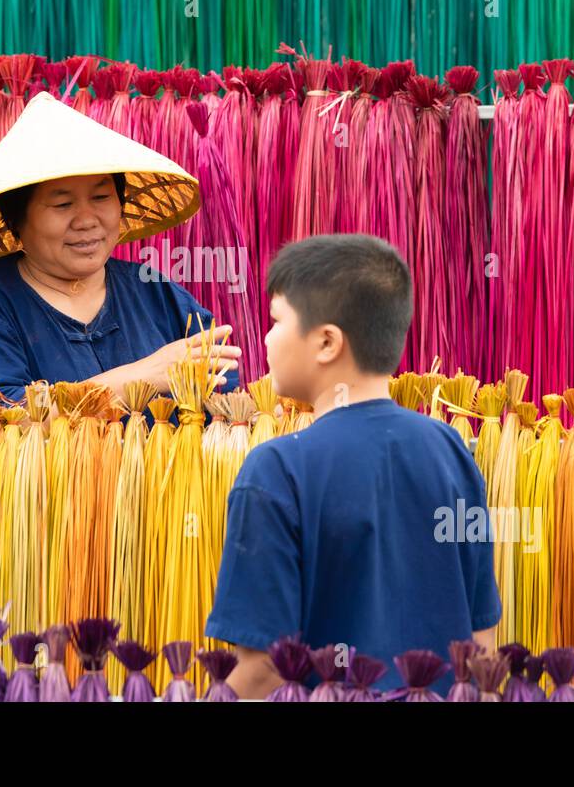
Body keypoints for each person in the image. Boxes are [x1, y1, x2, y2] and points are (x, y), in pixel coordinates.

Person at [205, 234, 500, 698]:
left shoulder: (277, 470)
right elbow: (481, 645)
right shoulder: (452, 452)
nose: (265, 336)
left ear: (326, 342)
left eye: (276, 320)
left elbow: (263, 670)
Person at [0, 91, 239, 405]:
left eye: (101, 197)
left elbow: (225, 391)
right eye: (63, 204)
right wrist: (139, 378)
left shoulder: (156, 293)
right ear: (16, 220)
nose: (87, 220)